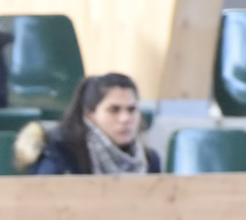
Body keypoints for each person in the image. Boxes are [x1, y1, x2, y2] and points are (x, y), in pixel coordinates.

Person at [17, 73, 161, 174]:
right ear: (90, 114)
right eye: (114, 110)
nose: (125, 118)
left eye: (131, 110)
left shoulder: (150, 161)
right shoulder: (60, 154)